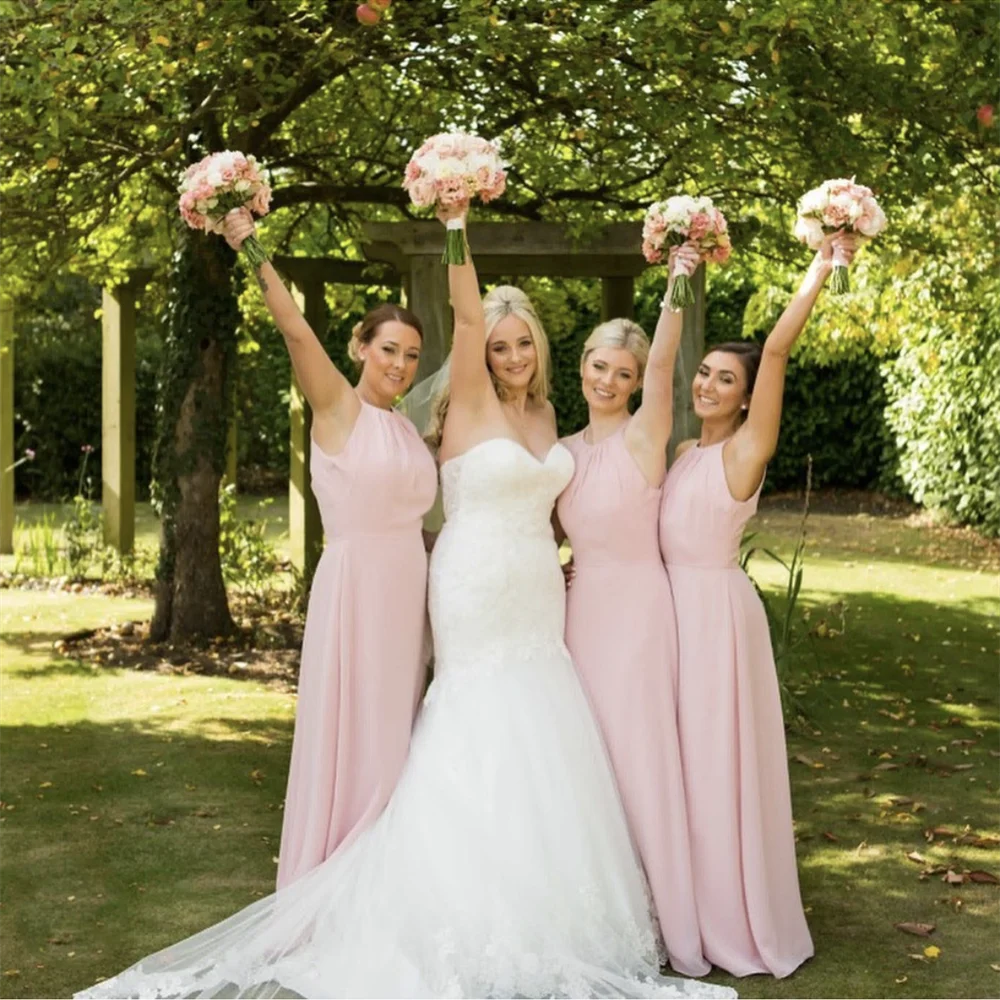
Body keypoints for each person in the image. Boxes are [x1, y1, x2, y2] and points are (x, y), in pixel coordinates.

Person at [75, 207, 734, 1000]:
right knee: (477, 713)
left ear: (540, 348)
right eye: (499, 346)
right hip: (474, 583)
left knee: (541, 721)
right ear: (480, 354)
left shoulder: (547, 416)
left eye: (523, 344)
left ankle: (540, 905)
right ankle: (449, 903)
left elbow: (558, 504)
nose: (512, 356)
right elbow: (465, 312)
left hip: (536, 587)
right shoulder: (470, 398)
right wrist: (456, 222)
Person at [658, 232, 858, 977]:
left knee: (716, 762)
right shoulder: (684, 453)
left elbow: (775, 350)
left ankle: (727, 913)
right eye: (703, 373)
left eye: (724, 379)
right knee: (674, 762)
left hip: (715, 620)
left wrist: (822, 264)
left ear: (746, 397)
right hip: (667, 616)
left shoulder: (747, 450)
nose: (707, 385)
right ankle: (677, 903)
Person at [223, 209, 438, 889]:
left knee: (397, 728)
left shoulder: (408, 431)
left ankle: (388, 872)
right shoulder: (338, 407)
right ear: (359, 347)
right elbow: (293, 327)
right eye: (389, 350)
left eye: (411, 355)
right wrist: (249, 245)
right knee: (358, 725)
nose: (400, 365)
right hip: (357, 589)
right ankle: (341, 867)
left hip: (409, 593)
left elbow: (415, 521)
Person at [557, 246, 707, 977]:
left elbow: (667, 359)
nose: (609, 381)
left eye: (624, 372)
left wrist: (677, 280)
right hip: (577, 613)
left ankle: (664, 915)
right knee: (584, 757)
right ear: (581, 365)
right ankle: (592, 910)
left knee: (641, 756)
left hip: (641, 614)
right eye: (600, 366)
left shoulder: (647, 434)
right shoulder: (559, 450)